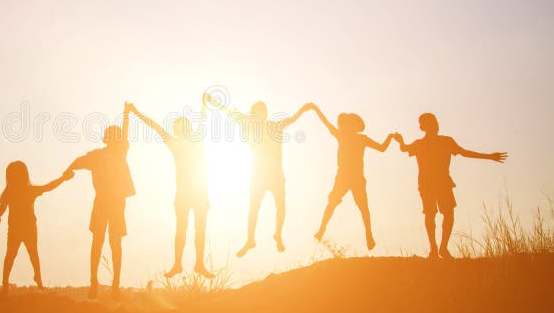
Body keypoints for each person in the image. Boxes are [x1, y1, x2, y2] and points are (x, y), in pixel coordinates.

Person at [204, 92, 311, 257]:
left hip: (275, 174)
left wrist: (302, 110)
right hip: (259, 173)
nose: (256, 117)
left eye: (259, 113)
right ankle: (250, 240)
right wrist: (213, 101)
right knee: (254, 207)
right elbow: (230, 113)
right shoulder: (248, 124)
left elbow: (291, 120)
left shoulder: (274, 126)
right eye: (254, 114)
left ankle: (277, 234)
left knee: (280, 206)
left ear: (265, 114)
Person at [394, 113, 506, 259]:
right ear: (423, 127)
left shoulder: (446, 141)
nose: (436, 125)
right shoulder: (419, 144)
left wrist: (489, 156)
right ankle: (434, 249)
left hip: (443, 183)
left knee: (448, 213)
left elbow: (464, 152)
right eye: (432, 123)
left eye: (436, 122)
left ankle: (442, 248)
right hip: (427, 184)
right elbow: (404, 148)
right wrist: (400, 141)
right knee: (430, 214)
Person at [128, 102, 214, 279]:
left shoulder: (192, 140)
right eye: (176, 129)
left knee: (199, 229)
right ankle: (178, 265)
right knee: (182, 229)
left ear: (184, 129)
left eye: (178, 128)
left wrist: (204, 104)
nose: (176, 131)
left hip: (198, 191)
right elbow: (154, 126)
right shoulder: (175, 142)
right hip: (185, 193)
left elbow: (203, 120)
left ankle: (198, 264)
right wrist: (136, 113)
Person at [67, 103, 135, 301]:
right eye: (114, 136)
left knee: (107, 242)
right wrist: (67, 171)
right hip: (108, 202)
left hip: (112, 202)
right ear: (108, 139)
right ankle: (100, 284)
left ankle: (108, 285)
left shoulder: (111, 152)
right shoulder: (102, 154)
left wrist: (67, 172)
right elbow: (78, 161)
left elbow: (77, 162)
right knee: (106, 242)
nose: (117, 139)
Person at [305, 103, 394, 250]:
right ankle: (321, 230)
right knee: (337, 203)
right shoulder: (344, 136)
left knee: (360, 206)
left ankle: (368, 234)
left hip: (353, 176)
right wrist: (315, 109)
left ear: (354, 126)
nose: (345, 126)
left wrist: (390, 137)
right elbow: (326, 122)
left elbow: (382, 148)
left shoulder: (358, 138)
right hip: (344, 176)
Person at [0, 161, 73, 293]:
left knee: (28, 254)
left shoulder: (26, 191)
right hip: (18, 228)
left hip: (26, 228)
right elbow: (2, 207)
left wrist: (63, 178)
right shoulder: (12, 192)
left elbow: (49, 187)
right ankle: (8, 283)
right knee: (17, 255)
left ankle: (37, 279)